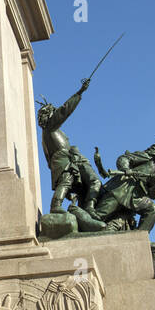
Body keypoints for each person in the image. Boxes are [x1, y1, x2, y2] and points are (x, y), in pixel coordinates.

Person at [37, 79, 100, 213]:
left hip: (63, 159)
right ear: (49, 115)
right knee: (67, 180)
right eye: (53, 112)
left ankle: (84, 208)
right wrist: (80, 92)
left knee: (72, 183)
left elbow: (48, 159)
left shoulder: (48, 133)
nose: (55, 113)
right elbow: (65, 110)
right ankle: (55, 206)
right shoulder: (50, 126)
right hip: (62, 159)